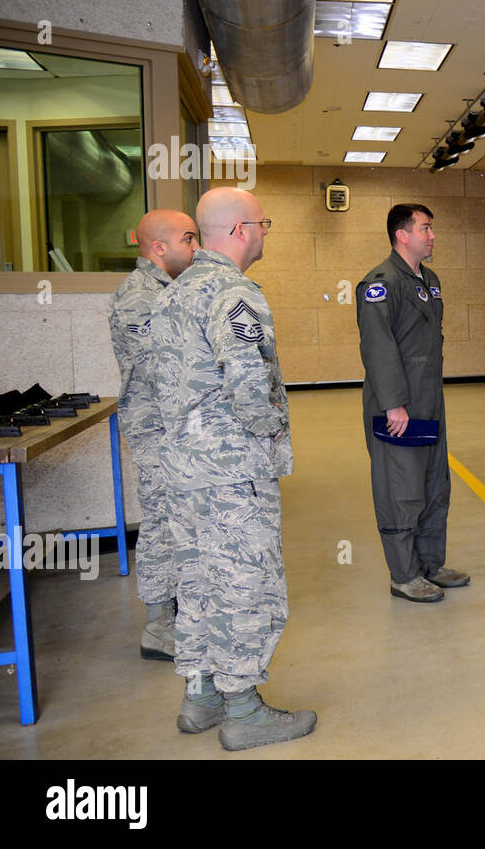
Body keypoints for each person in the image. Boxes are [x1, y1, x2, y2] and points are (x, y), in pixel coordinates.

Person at [150, 187, 315, 749]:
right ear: (241, 231)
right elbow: (247, 381)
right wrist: (267, 432)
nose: (265, 232)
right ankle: (243, 709)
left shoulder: (172, 293)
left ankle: (202, 697)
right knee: (245, 582)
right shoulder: (233, 294)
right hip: (228, 470)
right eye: (262, 223)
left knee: (196, 581)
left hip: (182, 469)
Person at [357, 203, 468, 603]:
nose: (432, 235)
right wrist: (393, 405)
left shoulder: (429, 279)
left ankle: (430, 565)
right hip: (398, 405)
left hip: (429, 401)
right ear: (402, 235)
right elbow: (378, 347)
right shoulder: (380, 283)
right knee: (400, 488)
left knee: (433, 483)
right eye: (425, 228)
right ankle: (404, 575)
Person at [107, 209, 199, 661]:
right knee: (162, 524)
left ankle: (179, 613)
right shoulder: (138, 297)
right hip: (157, 433)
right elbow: (171, 366)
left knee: (178, 521)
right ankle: (159, 627)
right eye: (188, 238)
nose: (195, 247)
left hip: (178, 430)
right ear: (158, 247)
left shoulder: (171, 290)